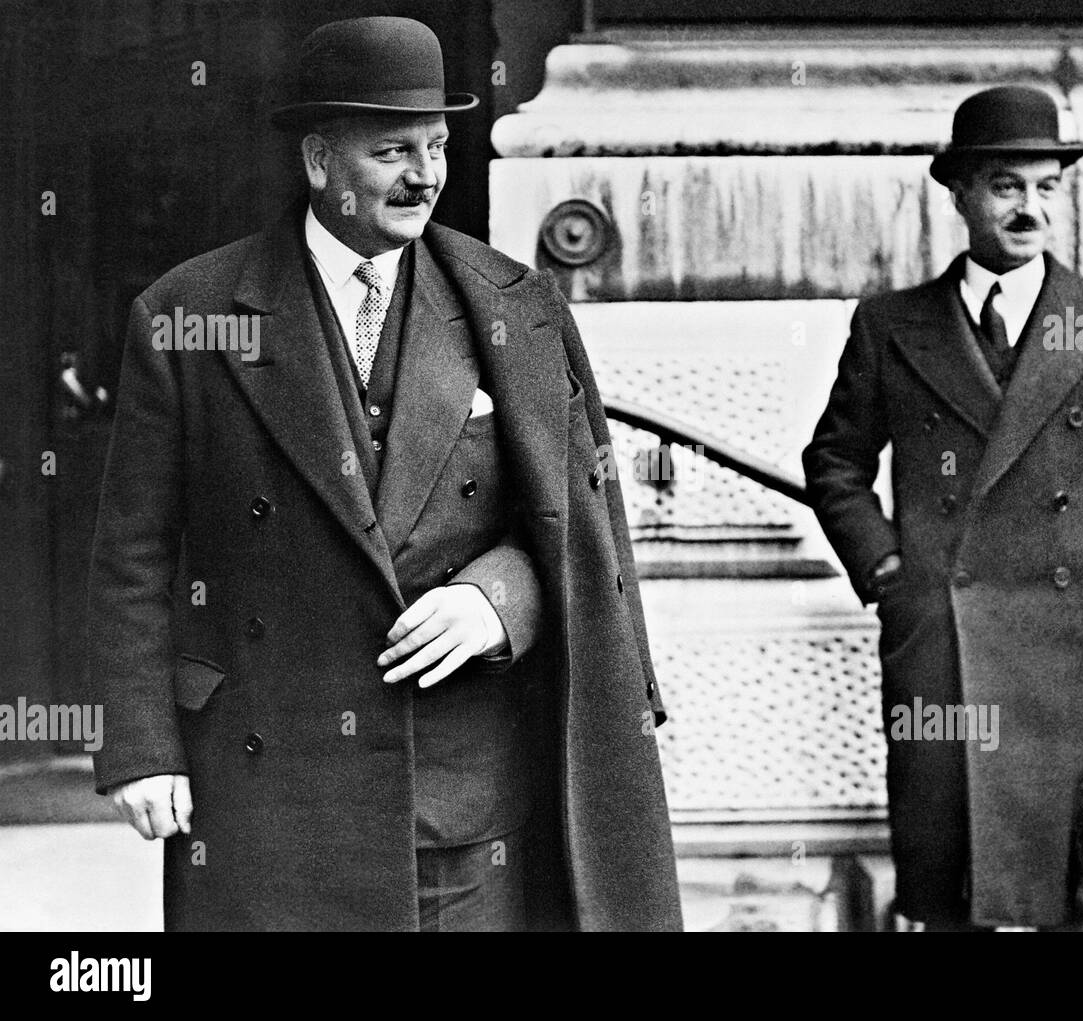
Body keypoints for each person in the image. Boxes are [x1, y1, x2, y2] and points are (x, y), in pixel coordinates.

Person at [85, 16, 681, 932]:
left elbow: (576, 529)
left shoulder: (514, 308)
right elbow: (133, 553)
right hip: (266, 784)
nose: (426, 174)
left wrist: (498, 600)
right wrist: (139, 745)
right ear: (320, 160)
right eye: (394, 149)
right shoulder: (189, 315)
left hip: (464, 795)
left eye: (438, 145)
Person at [802, 85, 1083, 930]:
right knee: (948, 887)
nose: (1030, 207)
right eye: (1008, 186)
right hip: (946, 647)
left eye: (1047, 186)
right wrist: (892, 574)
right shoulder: (892, 323)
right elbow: (835, 460)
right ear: (961, 193)